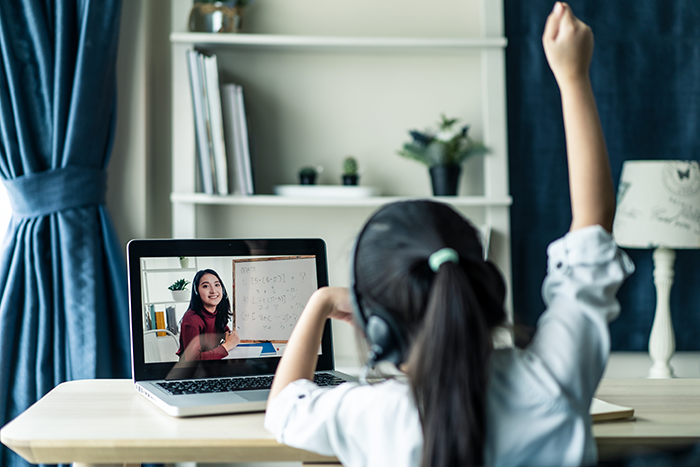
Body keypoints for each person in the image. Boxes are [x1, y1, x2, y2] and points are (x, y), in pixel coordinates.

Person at [264, 3, 634, 467]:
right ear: (482, 285)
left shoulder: (368, 414)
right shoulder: (554, 377)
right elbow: (594, 227)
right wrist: (573, 76)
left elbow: (283, 407)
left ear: (379, 329)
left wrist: (319, 302)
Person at [176, 268, 240, 361]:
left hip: (212, 367)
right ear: (196, 291)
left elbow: (226, 333)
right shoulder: (192, 319)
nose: (213, 291)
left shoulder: (217, 312)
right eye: (206, 286)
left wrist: (230, 336)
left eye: (217, 285)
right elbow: (193, 359)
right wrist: (226, 346)